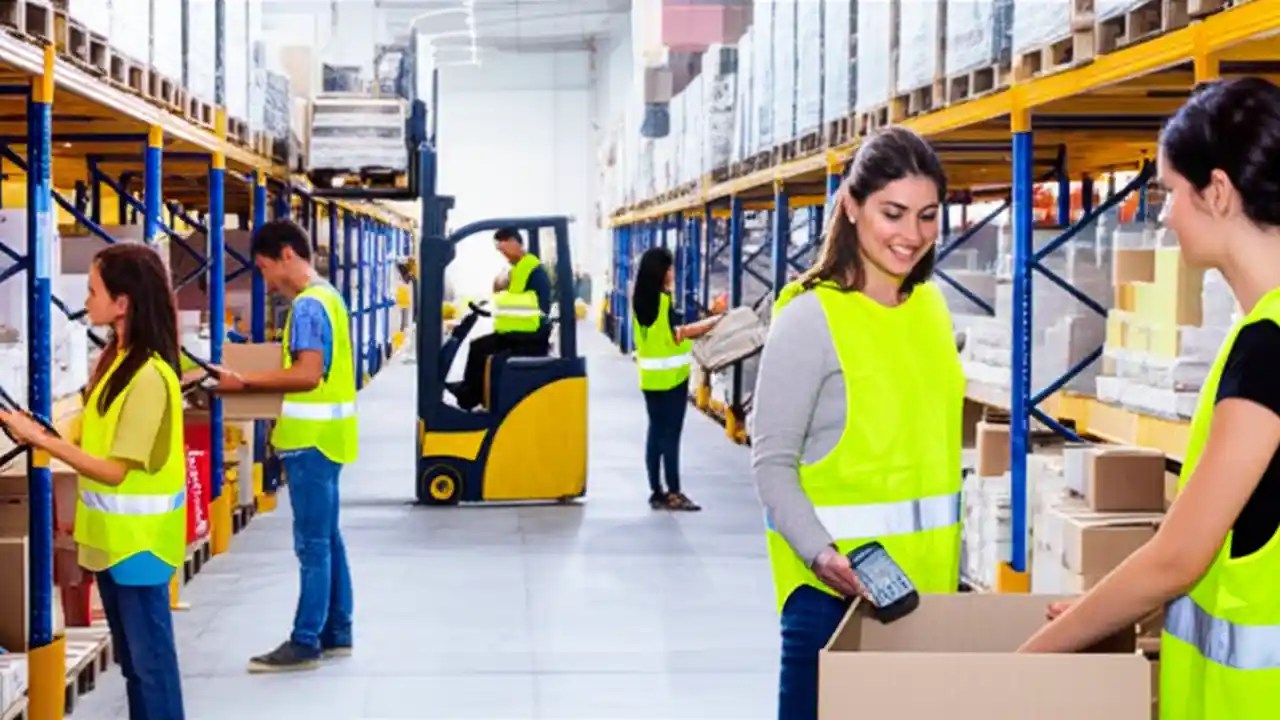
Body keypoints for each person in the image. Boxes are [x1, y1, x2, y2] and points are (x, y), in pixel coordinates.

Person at [1017, 76, 1280, 719]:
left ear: (1218, 192)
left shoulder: (1268, 352)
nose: (1162, 216)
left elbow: (1177, 559)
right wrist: (1094, 610)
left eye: (1168, 193)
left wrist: (1026, 662)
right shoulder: (1257, 335)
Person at [750, 126, 964, 720]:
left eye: (927, 216)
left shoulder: (932, 309)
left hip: (926, 597)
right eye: (892, 213)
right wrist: (821, 556)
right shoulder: (809, 318)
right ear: (850, 205)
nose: (911, 235)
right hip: (832, 603)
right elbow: (771, 465)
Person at [0, 243, 188, 720]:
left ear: (122, 303)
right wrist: (30, 432)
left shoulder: (150, 377)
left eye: (93, 290)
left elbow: (114, 469)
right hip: (110, 542)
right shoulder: (114, 363)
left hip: (140, 547)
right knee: (133, 666)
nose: (86, 300)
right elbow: (89, 429)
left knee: (151, 667)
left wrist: (43, 442)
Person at [210, 219, 357, 673]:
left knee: (312, 544)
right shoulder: (328, 297)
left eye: (265, 266)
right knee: (328, 538)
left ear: (288, 254)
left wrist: (245, 380)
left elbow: (307, 374)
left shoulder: (309, 308)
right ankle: (338, 630)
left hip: (310, 442)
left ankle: (305, 640)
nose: (266, 278)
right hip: (330, 439)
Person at [630, 246, 721, 511]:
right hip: (672, 378)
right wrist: (714, 320)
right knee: (671, 436)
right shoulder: (662, 302)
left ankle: (656, 491)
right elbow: (679, 334)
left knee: (655, 433)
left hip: (650, 379)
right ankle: (674, 493)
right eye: (669, 268)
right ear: (662, 272)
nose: (672, 273)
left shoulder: (639, 302)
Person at [449, 227, 552, 410]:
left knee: (486, 353)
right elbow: (513, 297)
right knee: (478, 346)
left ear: (513, 242)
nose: (502, 253)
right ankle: (469, 393)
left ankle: (469, 396)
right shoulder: (518, 268)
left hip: (529, 338)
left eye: (502, 248)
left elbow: (540, 307)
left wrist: (500, 301)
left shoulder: (535, 271)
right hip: (518, 333)